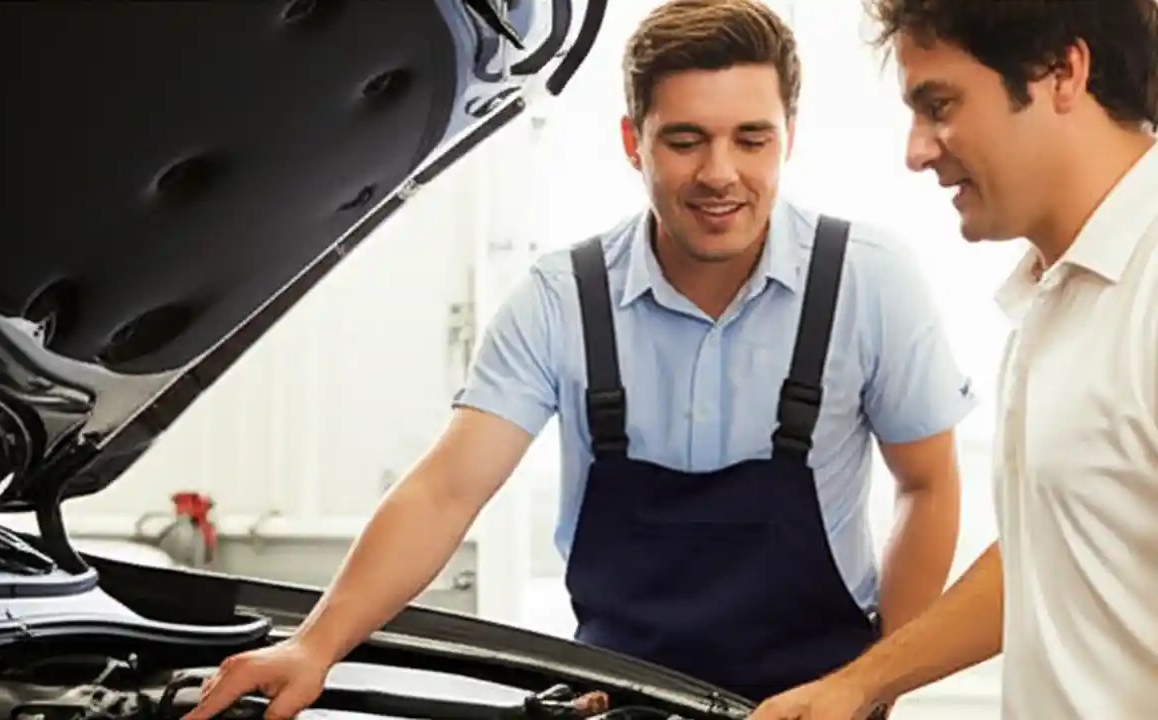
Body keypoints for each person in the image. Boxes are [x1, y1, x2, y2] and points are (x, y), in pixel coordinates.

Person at [183, 1, 976, 718]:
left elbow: (928, 484)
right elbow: (446, 491)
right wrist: (315, 644)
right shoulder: (561, 299)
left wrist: (875, 687)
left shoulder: (869, 281)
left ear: (788, 139)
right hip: (616, 698)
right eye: (685, 140)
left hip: (816, 702)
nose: (719, 173)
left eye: (751, 139)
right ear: (634, 143)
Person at [748, 1, 1158, 719]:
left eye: (939, 106)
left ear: (1063, 72)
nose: (916, 151)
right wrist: (862, 683)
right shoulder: (1061, 294)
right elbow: (1054, 549)